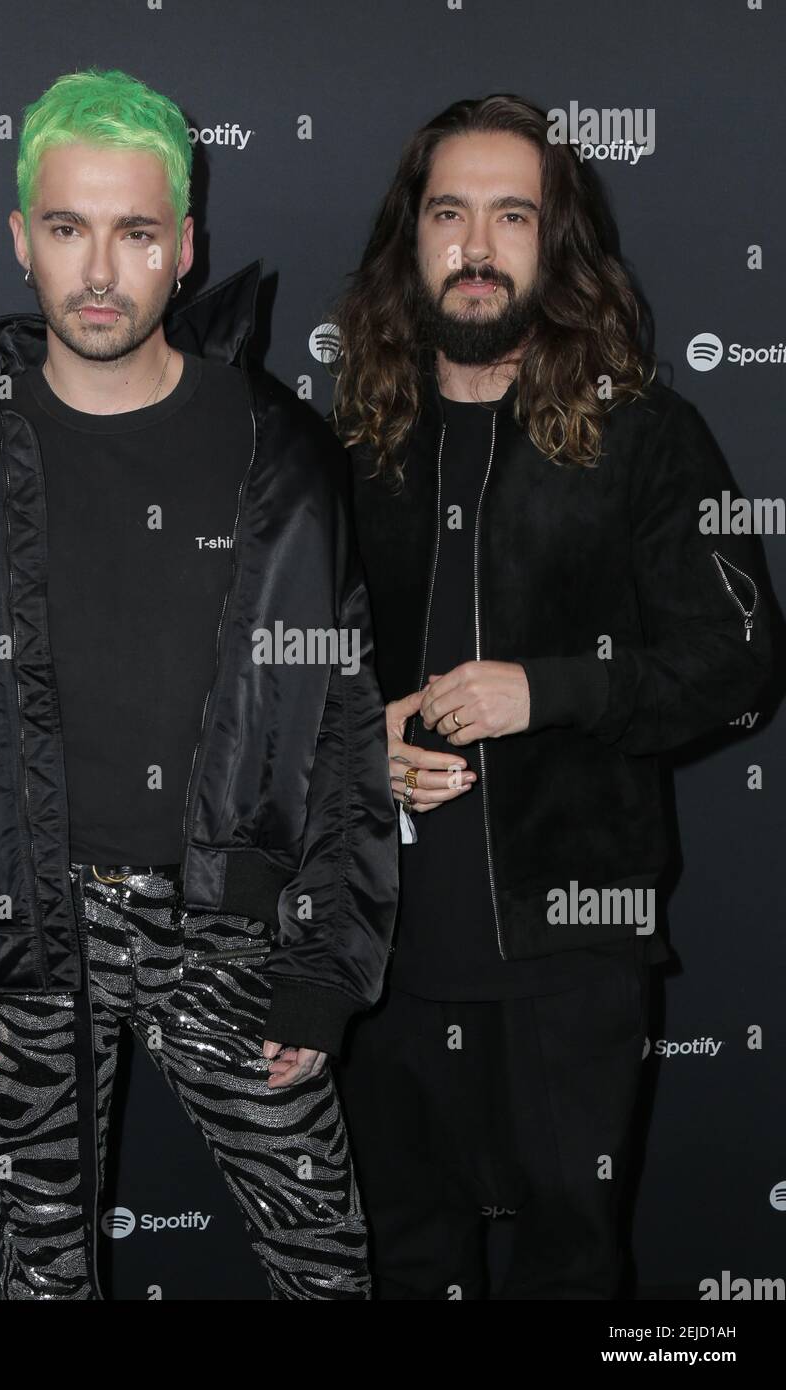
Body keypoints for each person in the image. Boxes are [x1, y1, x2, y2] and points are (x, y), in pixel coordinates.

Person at [0, 68, 397, 1300]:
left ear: (185, 248)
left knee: (326, 1265)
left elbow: (340, 721)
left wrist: (321, 960)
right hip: (26, 934)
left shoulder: (284, 456)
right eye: (70, 227)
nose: (99, 269)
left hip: (234, 929)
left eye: (135, 231)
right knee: (45, 1276)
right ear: (20, 236)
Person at [330, 94, 776, 1299]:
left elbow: (738, 659)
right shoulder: (349, 441)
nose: (477, 245)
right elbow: (266, 676)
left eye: (511, 214)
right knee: (403, 1264)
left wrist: (553, 690)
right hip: (376, 959)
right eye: (449, 213)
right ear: (409, 240)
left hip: (571, 963)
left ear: (556, 241)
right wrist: (349, 740)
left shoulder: (645, 437)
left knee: (568, 1273)